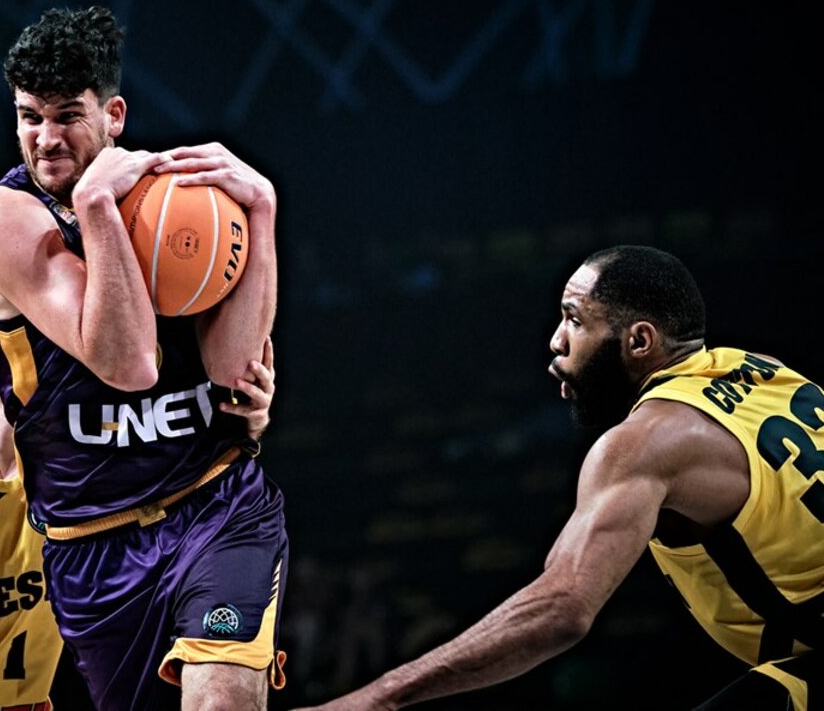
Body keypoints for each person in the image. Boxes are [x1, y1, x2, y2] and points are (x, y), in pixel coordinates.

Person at [298, 245, 820, 711]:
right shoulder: (766, 371)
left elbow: (563, 607)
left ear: (639, 340)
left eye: (574, 320)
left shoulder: (643, 442)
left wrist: (377, 697)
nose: (555, 341)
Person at [0, 4, 287, 711]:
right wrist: (97, 207)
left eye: (67, 116)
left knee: (222, 698)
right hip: (94, 544)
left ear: (113, 115)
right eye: (29, 118)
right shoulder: (4, 220)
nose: (46, 139)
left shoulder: (180, 200)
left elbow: (232, 372)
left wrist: (260, 209)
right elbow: (130, 364)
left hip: (217, 509)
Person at [0, 255, 282, 710]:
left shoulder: (83, 459)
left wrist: (245, 419)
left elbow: (190, 472)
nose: (34, 330)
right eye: (3, 322)